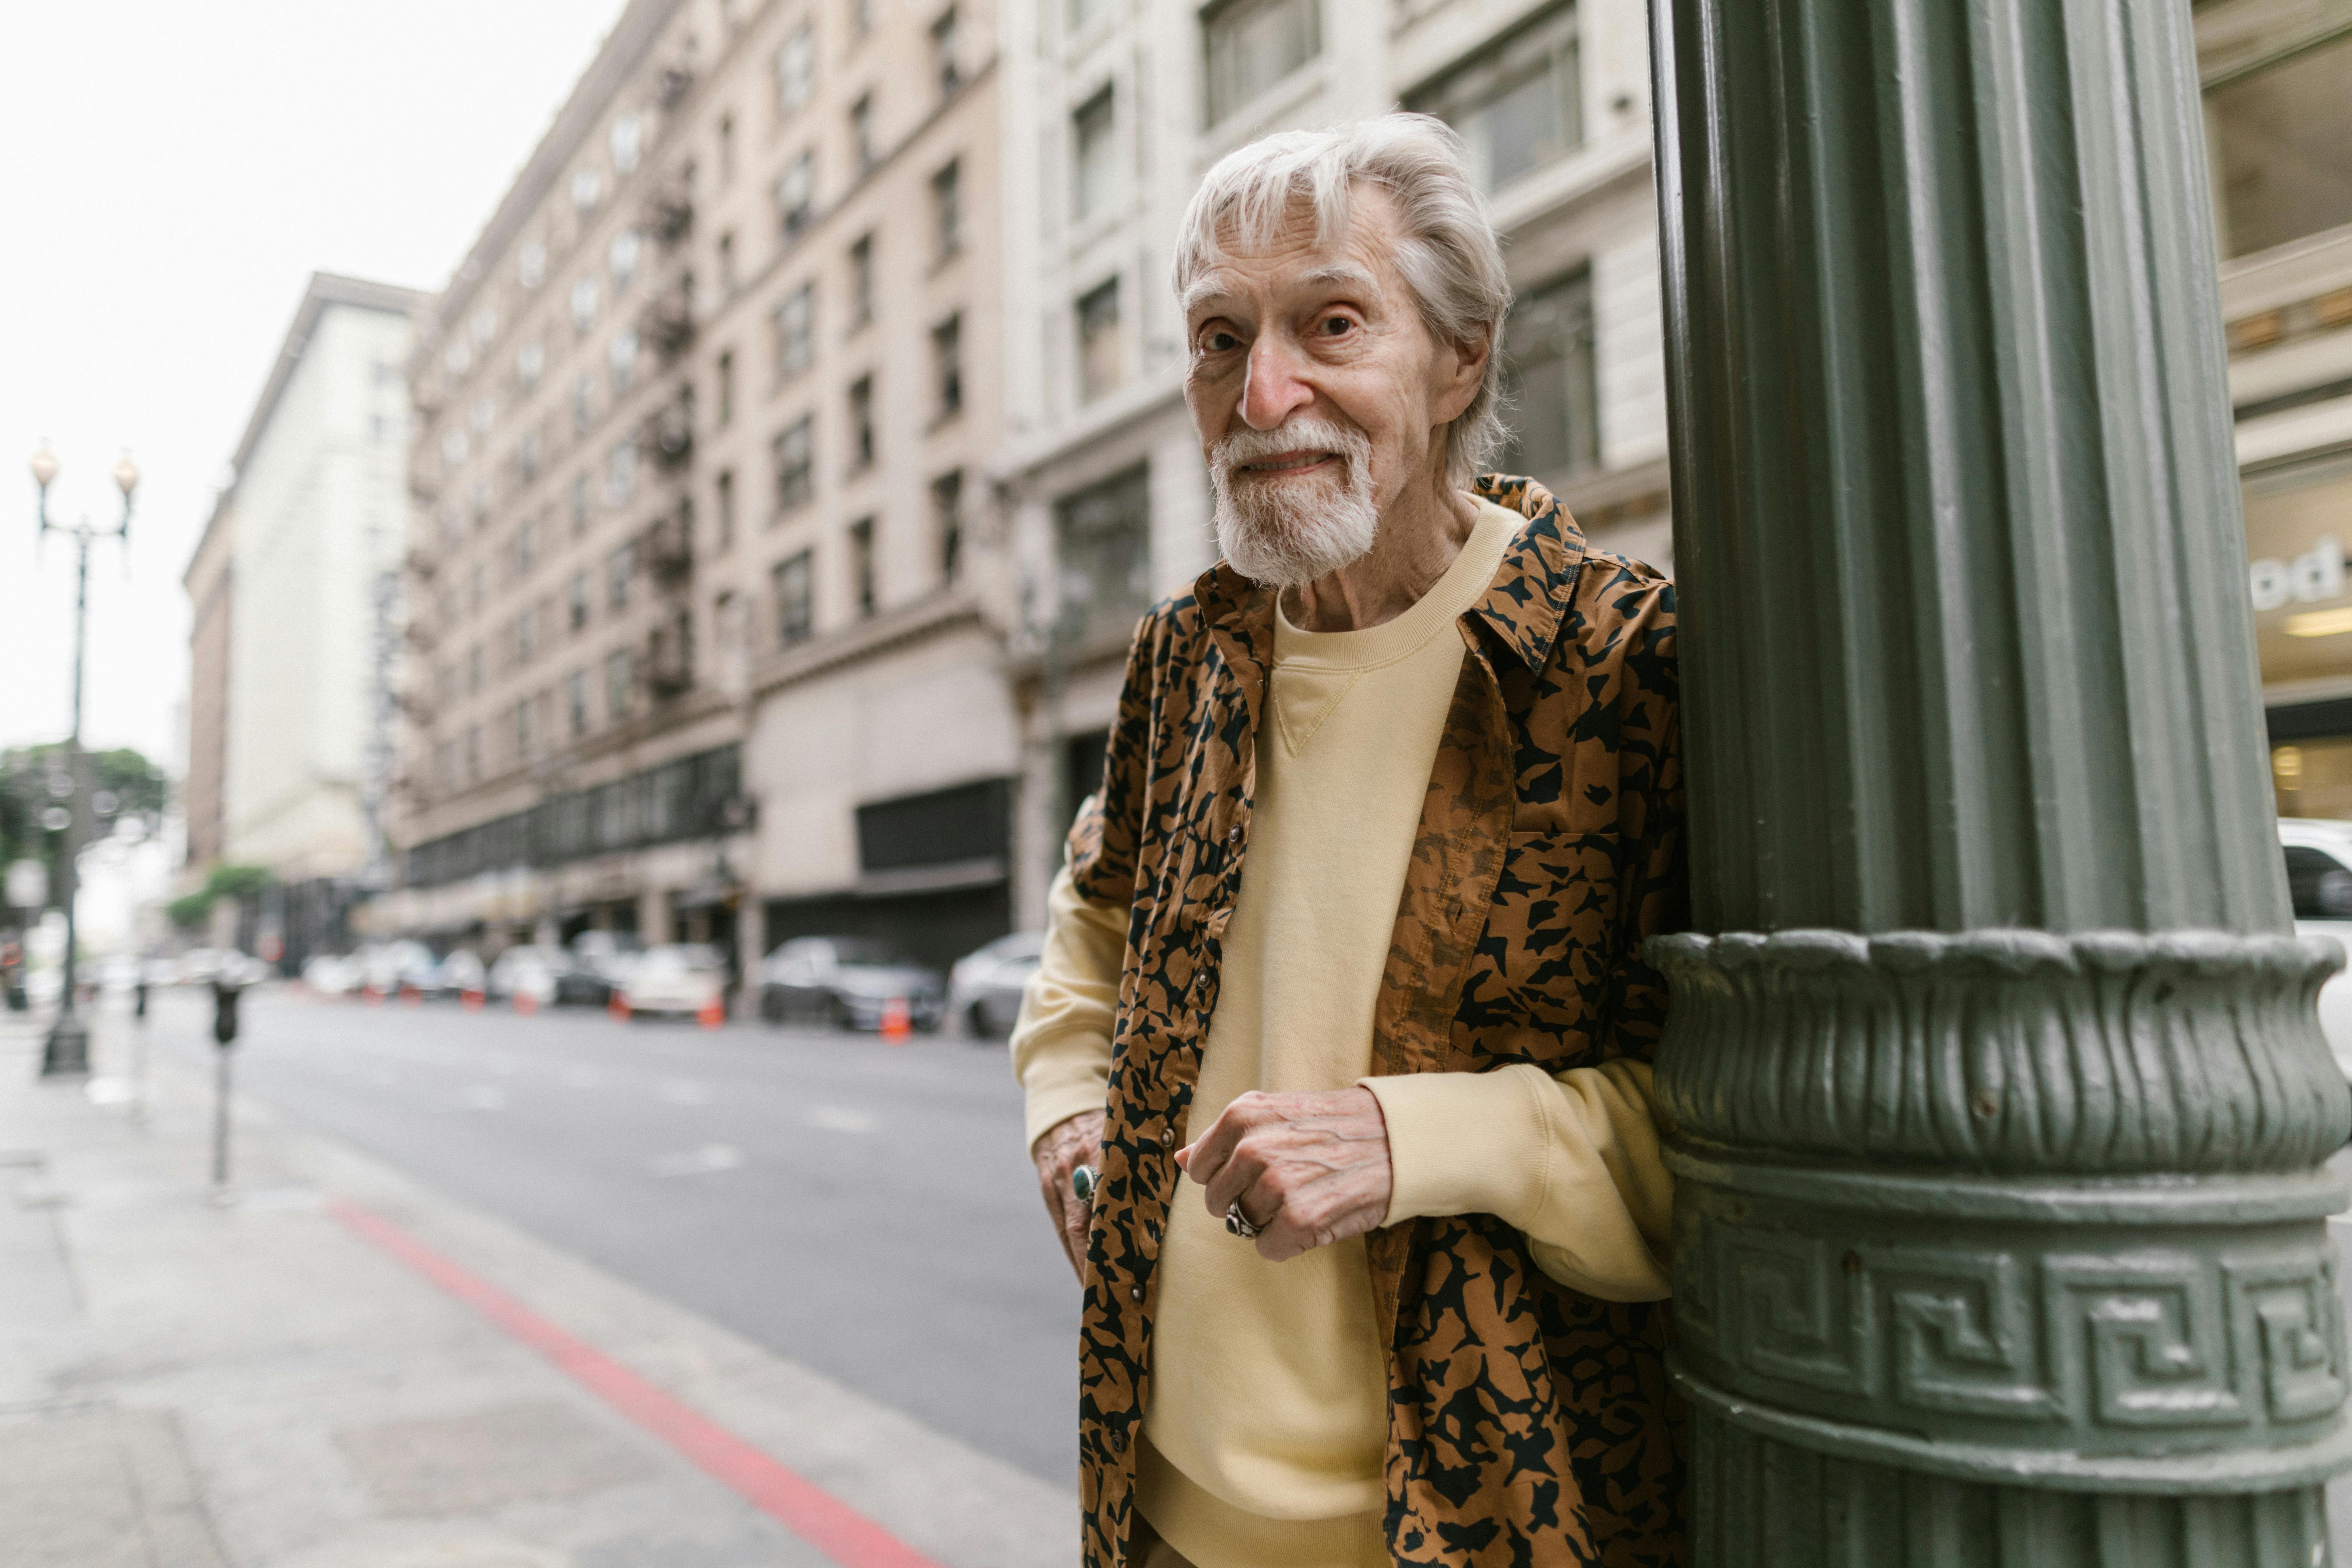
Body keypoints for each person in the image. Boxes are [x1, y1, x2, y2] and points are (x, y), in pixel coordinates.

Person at [1011, 115, 1686, 1568]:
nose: (1262, 392)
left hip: (1477, 1526)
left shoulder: (1615, 660)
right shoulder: (1183, 657)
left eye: (1331, 322)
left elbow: (1733, 1134)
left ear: (1455, 360)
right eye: (1215, 340)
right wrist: (1066, 1107)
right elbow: (1088, 934)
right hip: (1161, 1509)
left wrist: (1422, 1133)